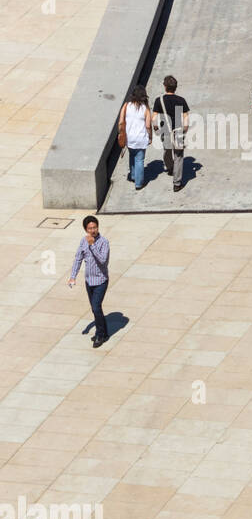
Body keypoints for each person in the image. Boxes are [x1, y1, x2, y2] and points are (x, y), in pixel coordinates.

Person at [67, 215, 110, 348]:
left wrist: (92, 246)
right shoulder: (83, 241)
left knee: (96, 307)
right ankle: (104, 330)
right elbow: (78, 259)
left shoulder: (104, 242)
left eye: (95, 227)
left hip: (101, 280)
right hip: (89, 281)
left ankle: (100, 335)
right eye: (90, 228)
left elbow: (103, 260)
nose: (93, 230)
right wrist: (73, 276)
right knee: (95, 309)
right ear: (86, 229)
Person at [152, 74, 190, 191]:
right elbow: (185, 117)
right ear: (176, 87)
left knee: (167, 151)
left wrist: (156, 127)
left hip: (166, 131)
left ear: (165, 86)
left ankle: (169, 167)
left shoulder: (159, 100)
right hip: (178, 131)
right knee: (178, 156)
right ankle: (177, 183)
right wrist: (185, 129)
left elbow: (154, 117)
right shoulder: (181, 100)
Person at [118, 85, 152, 190]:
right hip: (141, 139)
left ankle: (133, 176)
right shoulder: (145, 109)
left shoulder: (126, 105)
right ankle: (139, 183)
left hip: (129, 138)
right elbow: (147, 126)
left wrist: (121, 133)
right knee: (139, 160)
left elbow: (121, 122)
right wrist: (150, 137)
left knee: (132, 156)